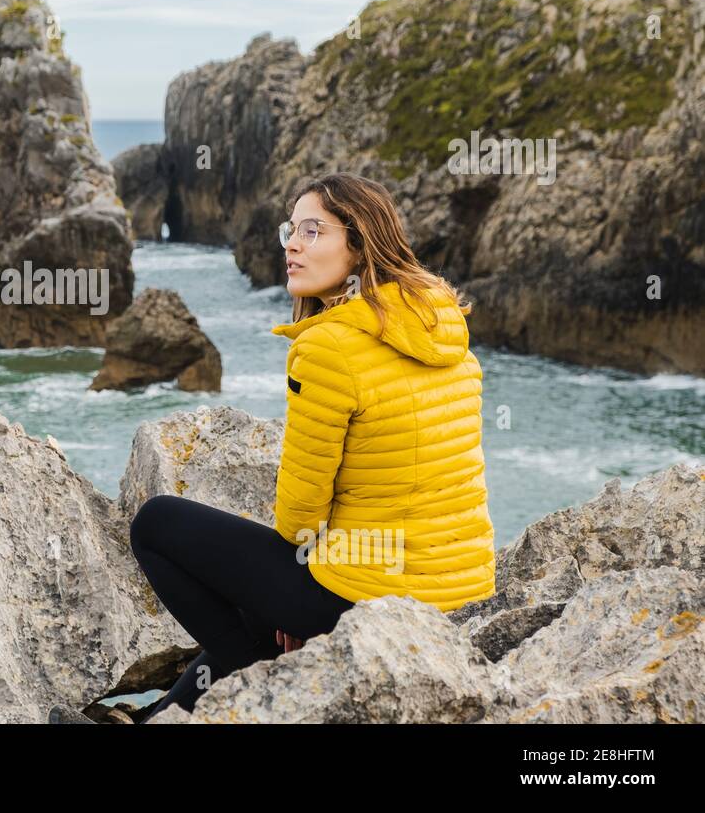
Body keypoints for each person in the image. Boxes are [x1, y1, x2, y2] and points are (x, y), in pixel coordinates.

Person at [130, 172, 496, 721]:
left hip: (370, 597)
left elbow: (299, 519)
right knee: (258, 599)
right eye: (290, 230)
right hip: (461, 588)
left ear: (359, 241)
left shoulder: (328, 347)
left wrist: (298, 600)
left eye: (312, 231)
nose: (291, 246)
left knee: (156, 523)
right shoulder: (441, 328)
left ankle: (265, 677)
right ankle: (157, 716)